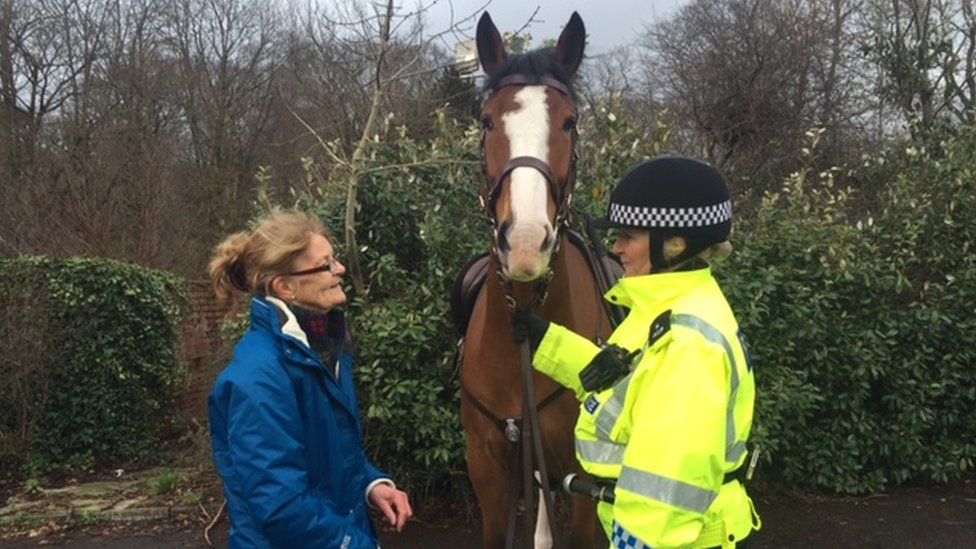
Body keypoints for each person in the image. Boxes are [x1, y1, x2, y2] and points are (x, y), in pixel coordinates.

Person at [514, 156, 761, 548]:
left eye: (628, 236)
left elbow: (664, 493)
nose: (615, 248)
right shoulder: (664, 309)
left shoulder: (689, 346)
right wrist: (549, 342)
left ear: (675, 245)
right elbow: (620, 380)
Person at [207, 210, 412, 548]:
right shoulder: (258, 378)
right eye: (325, 265)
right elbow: (281, 506)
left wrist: (372, 485)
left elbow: (331, 452)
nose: (340, 269)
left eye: (335, 260)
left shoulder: (325, 349)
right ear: (285, 287)